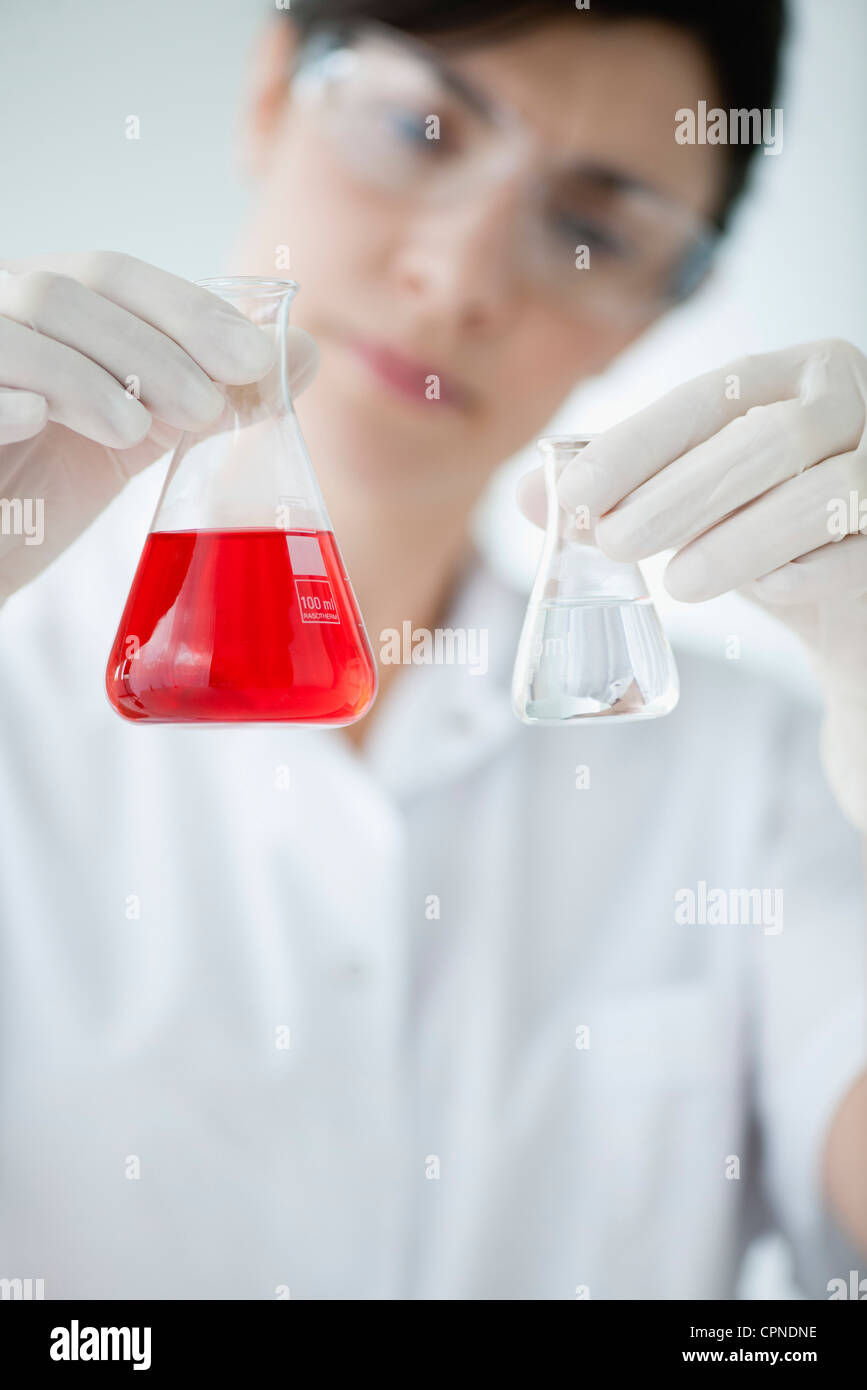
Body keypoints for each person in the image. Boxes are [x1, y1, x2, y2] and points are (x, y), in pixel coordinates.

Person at [0, 0, 864, 1300]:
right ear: (268, 94)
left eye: (589, 229)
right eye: (418, 127)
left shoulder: (766, 776)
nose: (460, 279)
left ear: (651, 314)